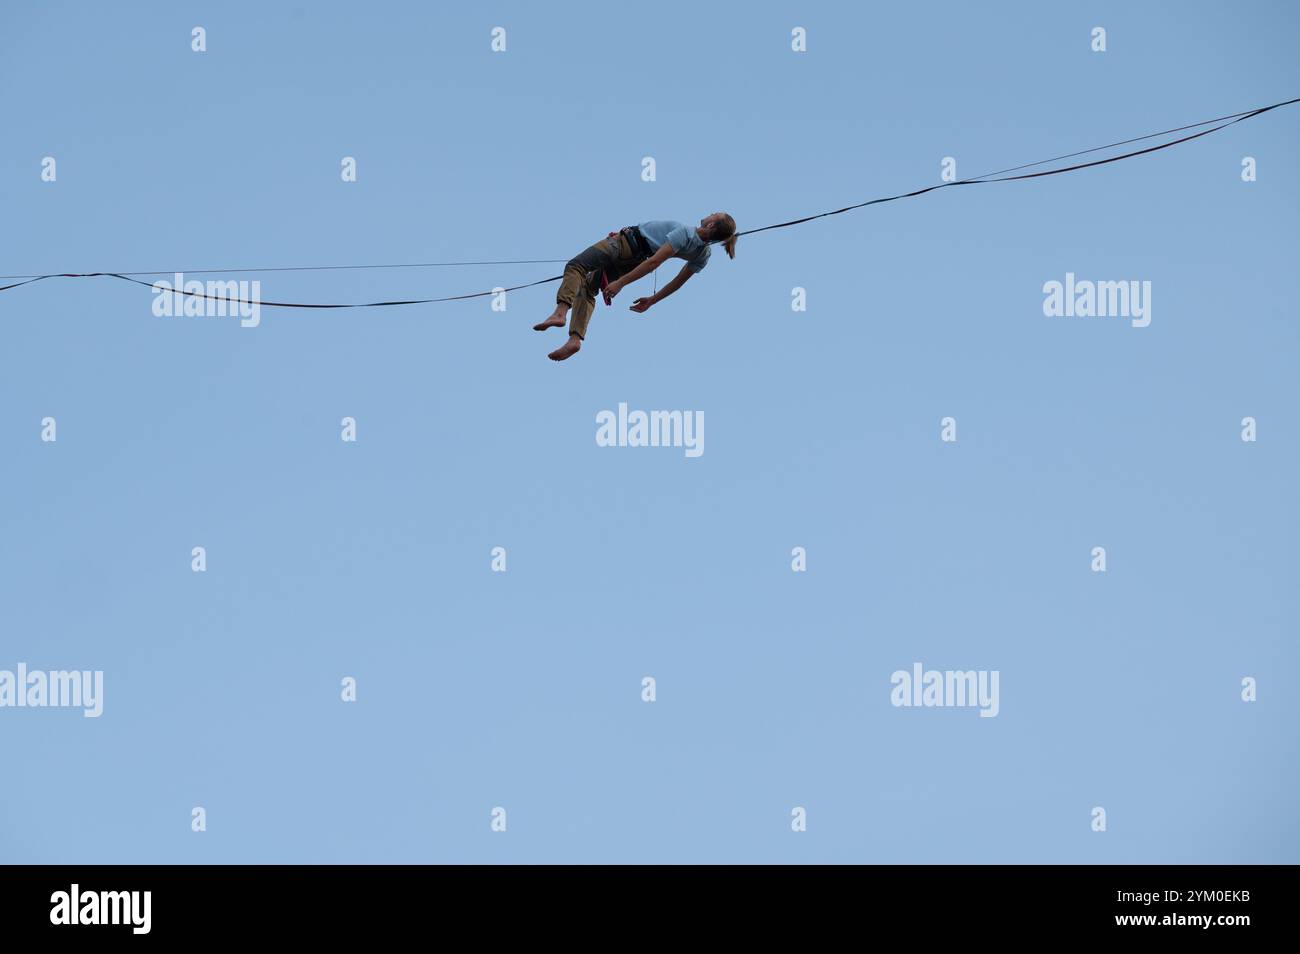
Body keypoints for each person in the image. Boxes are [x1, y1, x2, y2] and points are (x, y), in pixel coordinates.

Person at [533, 213, 738, 360]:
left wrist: (621, 283)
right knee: (588, 288)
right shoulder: (703, 254)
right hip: (634, 259)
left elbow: (654, 263)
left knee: (576, 266)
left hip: (624, 244)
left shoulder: (684, 233)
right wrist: (653, 300)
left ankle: (560, 312)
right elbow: (677, 283)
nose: (709, 214)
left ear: (711, 226)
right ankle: (575, 340)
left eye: (713, 215)